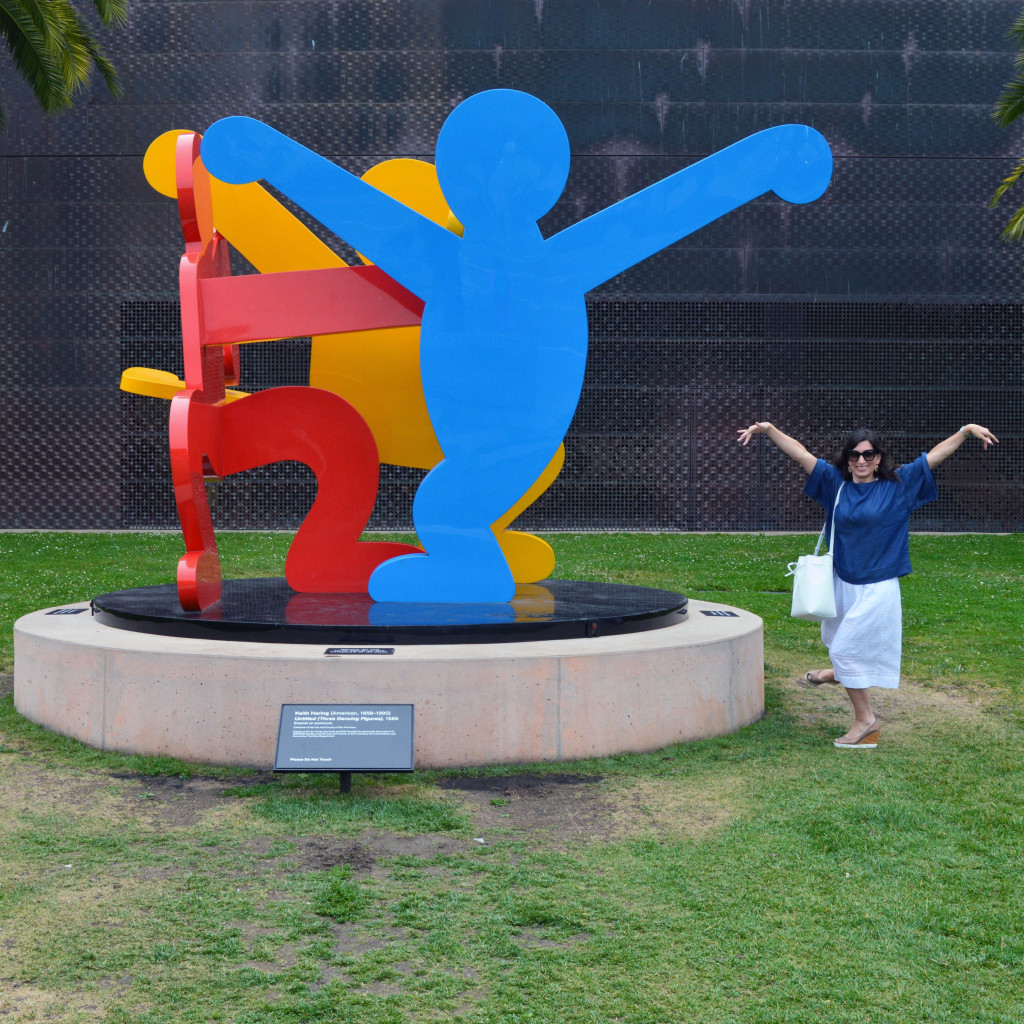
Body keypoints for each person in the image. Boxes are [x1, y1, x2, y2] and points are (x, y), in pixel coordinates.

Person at [737, 421, 999, 749]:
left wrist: (965, 431)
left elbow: (934, 457)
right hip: (842, 583)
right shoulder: (836, 484)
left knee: (844, 650)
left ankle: (866, 722)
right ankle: (836, 674)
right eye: (854, 455)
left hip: (878, 587)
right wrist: (769, 430)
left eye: (868, 454)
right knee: (840, 644)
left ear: (878, 459)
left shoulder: (898, 485)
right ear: (847, 460)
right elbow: (801, 454)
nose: (861, 460)